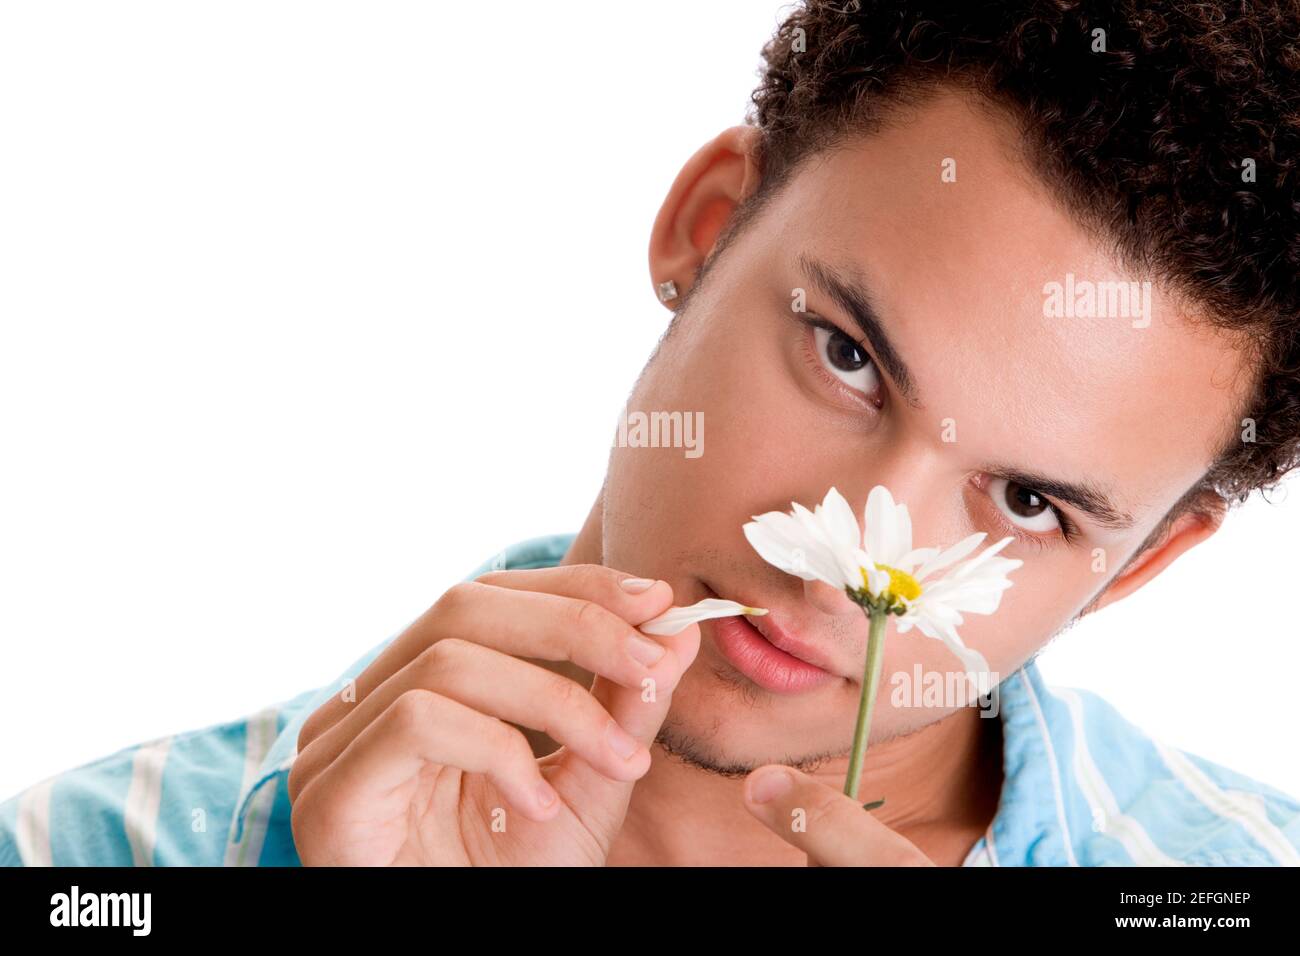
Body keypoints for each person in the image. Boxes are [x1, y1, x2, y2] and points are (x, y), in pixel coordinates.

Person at [5, 0, 1300, 867]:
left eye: (1027, 502)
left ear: (1137, 567)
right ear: (708, 223)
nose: (857, 561)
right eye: (848, 358)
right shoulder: (81, 856)